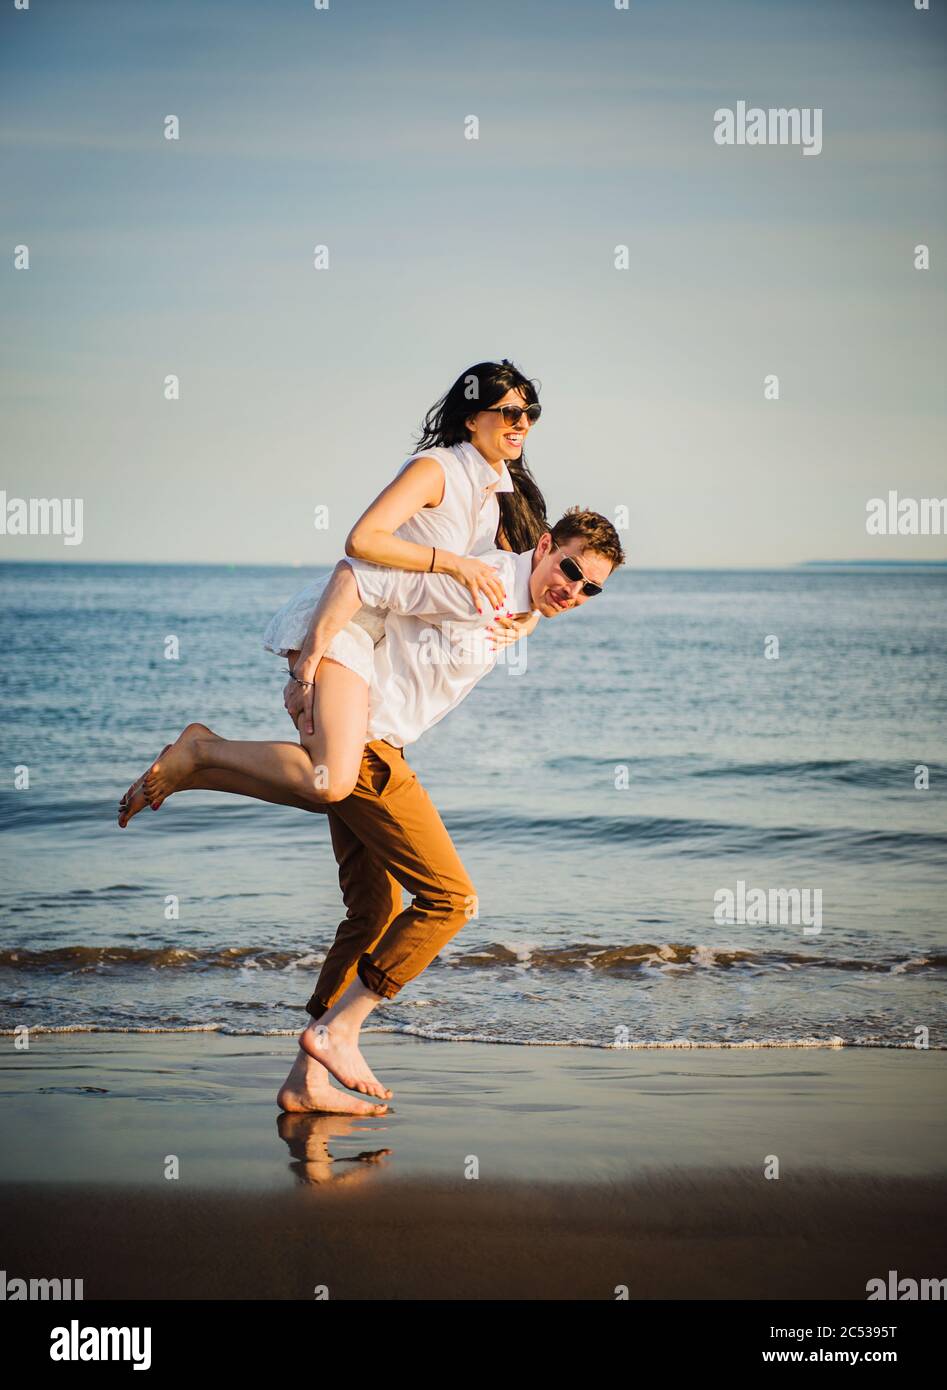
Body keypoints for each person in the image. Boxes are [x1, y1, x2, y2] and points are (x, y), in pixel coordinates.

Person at [118, 509, 625, 1110]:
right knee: (450, 899)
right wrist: (307, 670)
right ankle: (339, 1027)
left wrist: (533, 613)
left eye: (590, 588)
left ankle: (306, 1080)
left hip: (382, 740)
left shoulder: (518, 603)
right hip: (369, 742)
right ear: (544, 545)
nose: (574, 590)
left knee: (373, 911)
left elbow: (516, 602)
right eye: (569, 569)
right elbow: (359, 574)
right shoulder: (478, 579)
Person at [118, 359, 547, 826]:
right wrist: (452, 563)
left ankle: (195, 766)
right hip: (345, 620)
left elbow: (520, 572)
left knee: (326, 789)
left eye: (530, 412)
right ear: (471, 419)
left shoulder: (490, 496)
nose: (521, 423)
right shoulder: (436, 469)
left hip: (372, 636)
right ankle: (201, 749)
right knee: (333, 782)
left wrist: (529, 617)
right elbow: (361, 542)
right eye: (508, 412)